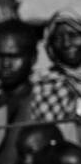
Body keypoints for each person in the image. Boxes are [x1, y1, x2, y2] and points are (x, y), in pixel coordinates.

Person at [30, 9, 81, 145]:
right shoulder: (44, 83)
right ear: (50, 45)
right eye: (57, 38)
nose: (66, 43)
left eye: (73, 35)